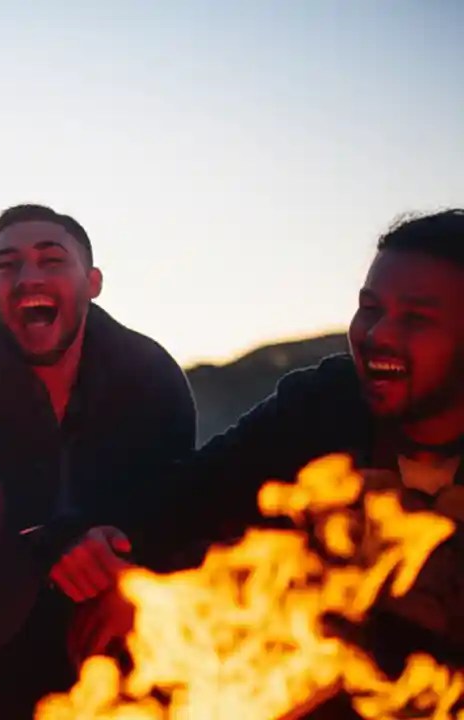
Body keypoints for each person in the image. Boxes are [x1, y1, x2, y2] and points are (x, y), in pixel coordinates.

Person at [59, 209, 464, 675]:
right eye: (370, 308)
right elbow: (196, 491)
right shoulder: (325, 402)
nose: (377, 335)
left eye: (415, 318)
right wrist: (118, 558)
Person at [0, 203, 195, 717]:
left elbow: (178, 505)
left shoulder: (150, 376)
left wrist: (132, 575)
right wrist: (52, 546)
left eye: (51, 261)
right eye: (6, 266)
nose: (28, 277)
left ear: (92, 282)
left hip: (117, 647)